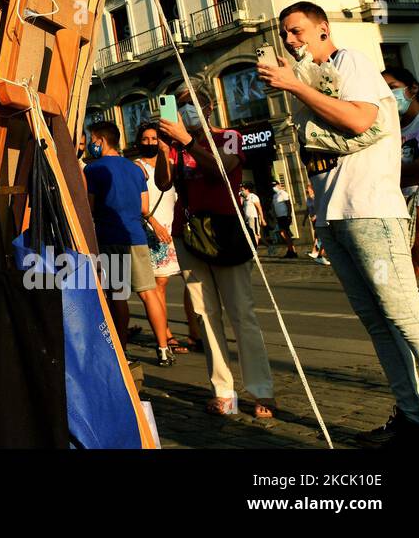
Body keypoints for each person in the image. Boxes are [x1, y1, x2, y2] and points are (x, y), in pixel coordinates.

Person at [262, 2, 419, 447]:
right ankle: (413, 418)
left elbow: (360, 118)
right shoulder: (311, 78)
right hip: (335, 217)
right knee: (378, 322)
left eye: (297, 31)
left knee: (407, 318)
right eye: (285, 34)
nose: (291, 40)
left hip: (371, 211)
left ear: (322, 29)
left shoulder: (349, 61)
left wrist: (295, 88)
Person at [157, 84, 276, 418]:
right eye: (179, 104)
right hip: (188, 234)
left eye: (191, 102)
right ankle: (223, 388)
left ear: (208, 105)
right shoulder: (175, 147)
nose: (186, 109)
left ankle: (261, 389)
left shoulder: (228, 135)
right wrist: (166, 147)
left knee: (242, 313)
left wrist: (188, 141)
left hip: (225, 232)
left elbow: (221, 171)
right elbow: (164, 183)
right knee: (206, 315)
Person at [82, 122, 173, 366]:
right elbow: (144, 208)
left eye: (93, 139)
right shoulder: (136, 170)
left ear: (100, 140)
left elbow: (89, 208)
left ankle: (121, 350)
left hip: (110, 237)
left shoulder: (93, 170)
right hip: (136, 236)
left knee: (118, 296)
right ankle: (164, 348)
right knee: (148, 293)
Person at [133, 124, 195, 356]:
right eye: (146, 138)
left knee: (192, 280)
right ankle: (166, 333)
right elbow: (138, 204)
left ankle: (195, 330)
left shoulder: (170, 163)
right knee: (160, 284)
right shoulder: (136, 167)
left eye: (154, 138)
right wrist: (155, 225)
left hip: (176, 228)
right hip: (153, 230)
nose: (150, 142)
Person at [383, 67, 419, 289]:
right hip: (408, 212)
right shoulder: (391, 129)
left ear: (412, 88)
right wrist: (417, 168)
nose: (389, 96)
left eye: (392, 88)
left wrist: (397, 174)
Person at [270, 180, 298, 259]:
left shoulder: (283, 193)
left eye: (275, 185)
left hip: (285, 216)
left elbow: (289, 204)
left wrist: (289, 215)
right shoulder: (275, 195)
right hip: (279, 217)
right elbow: (274, 207)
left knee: (285, 233)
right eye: (272, 186)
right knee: (284, 233)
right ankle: (291, 251)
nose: (274, 187)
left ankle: (291, 251)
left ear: (279, 185)